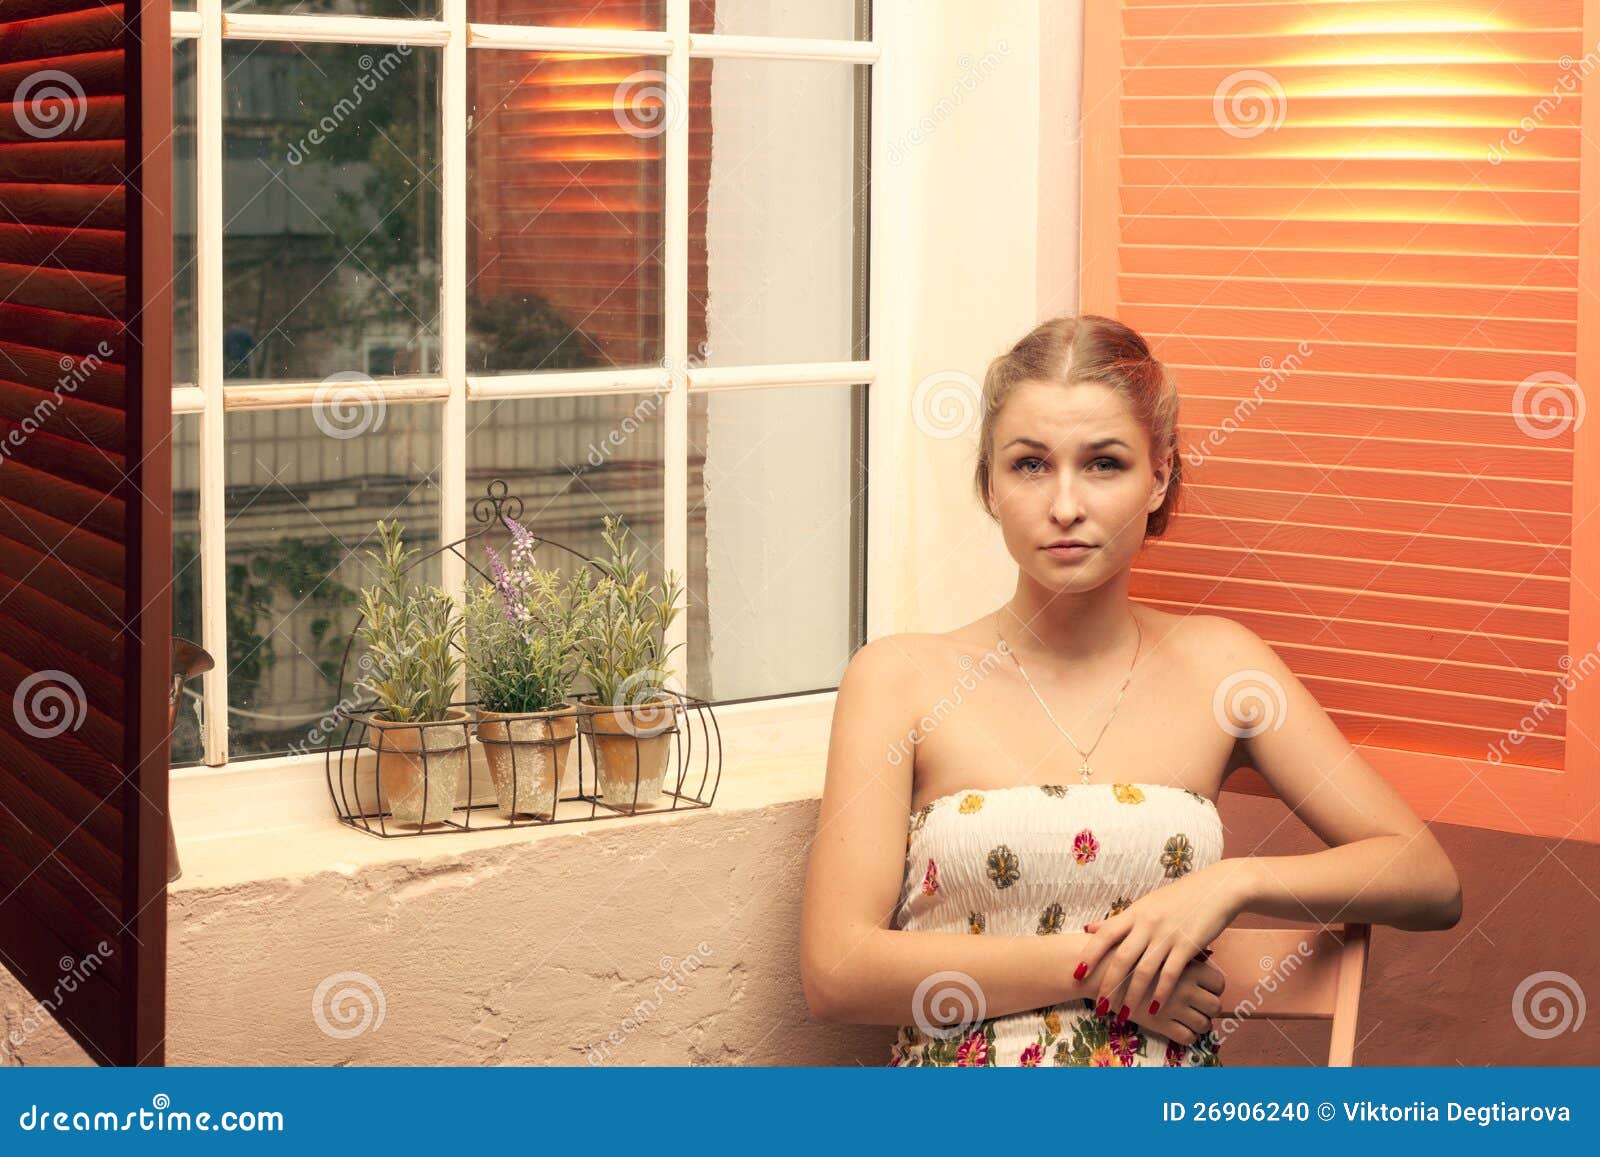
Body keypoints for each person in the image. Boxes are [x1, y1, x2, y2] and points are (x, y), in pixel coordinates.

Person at [799, 313, 1463, 1067]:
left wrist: (1231, 884)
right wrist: (1103, 974)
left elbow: (1428, 878)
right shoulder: (897, 678)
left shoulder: (1222, 666)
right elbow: (837, 970)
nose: (1065, 505)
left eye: (1105, 463)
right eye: (1029, 464)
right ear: (988, 483)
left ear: (1161, 477)